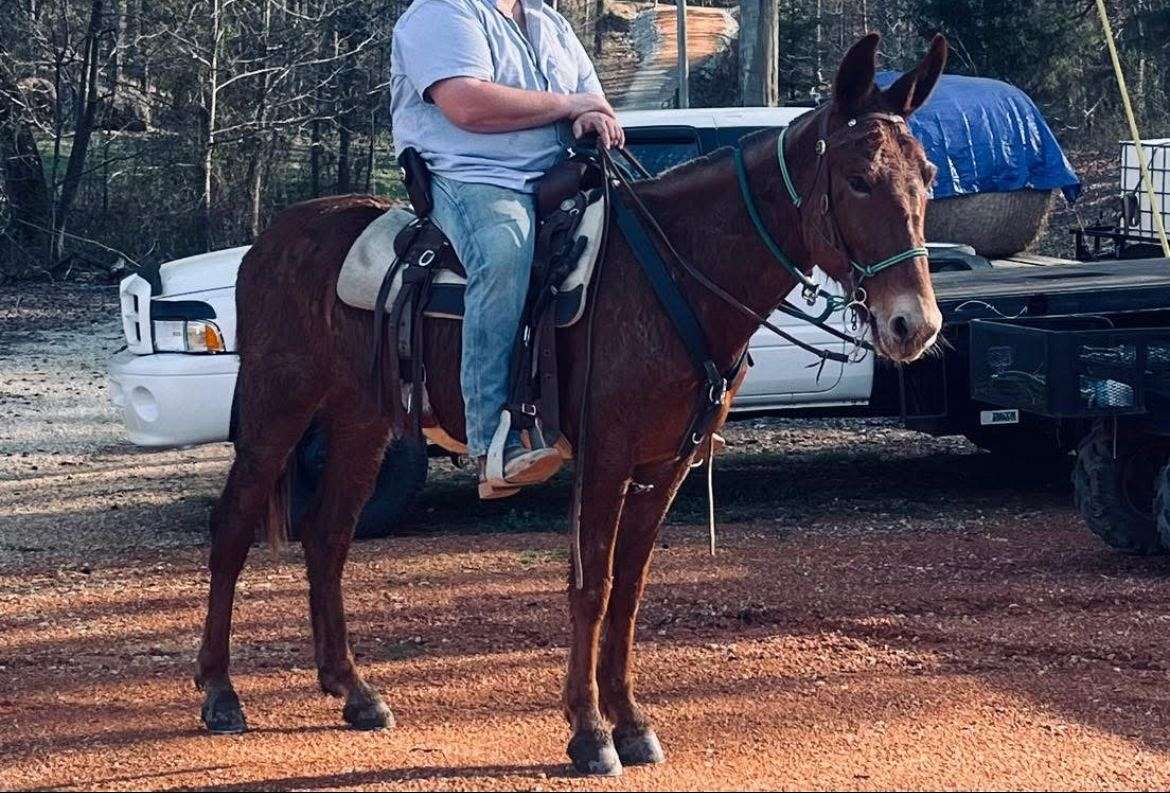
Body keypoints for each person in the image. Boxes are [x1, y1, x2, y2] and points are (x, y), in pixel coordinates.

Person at [390, 0, 624, 499]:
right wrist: (569, 107)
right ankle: (492, 442)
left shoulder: (548, 22)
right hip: (475, 178)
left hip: (561, 177)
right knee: (504, 253)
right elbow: (468, 105)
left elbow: (591, 99)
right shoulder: (441, 12)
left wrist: (593, 119)